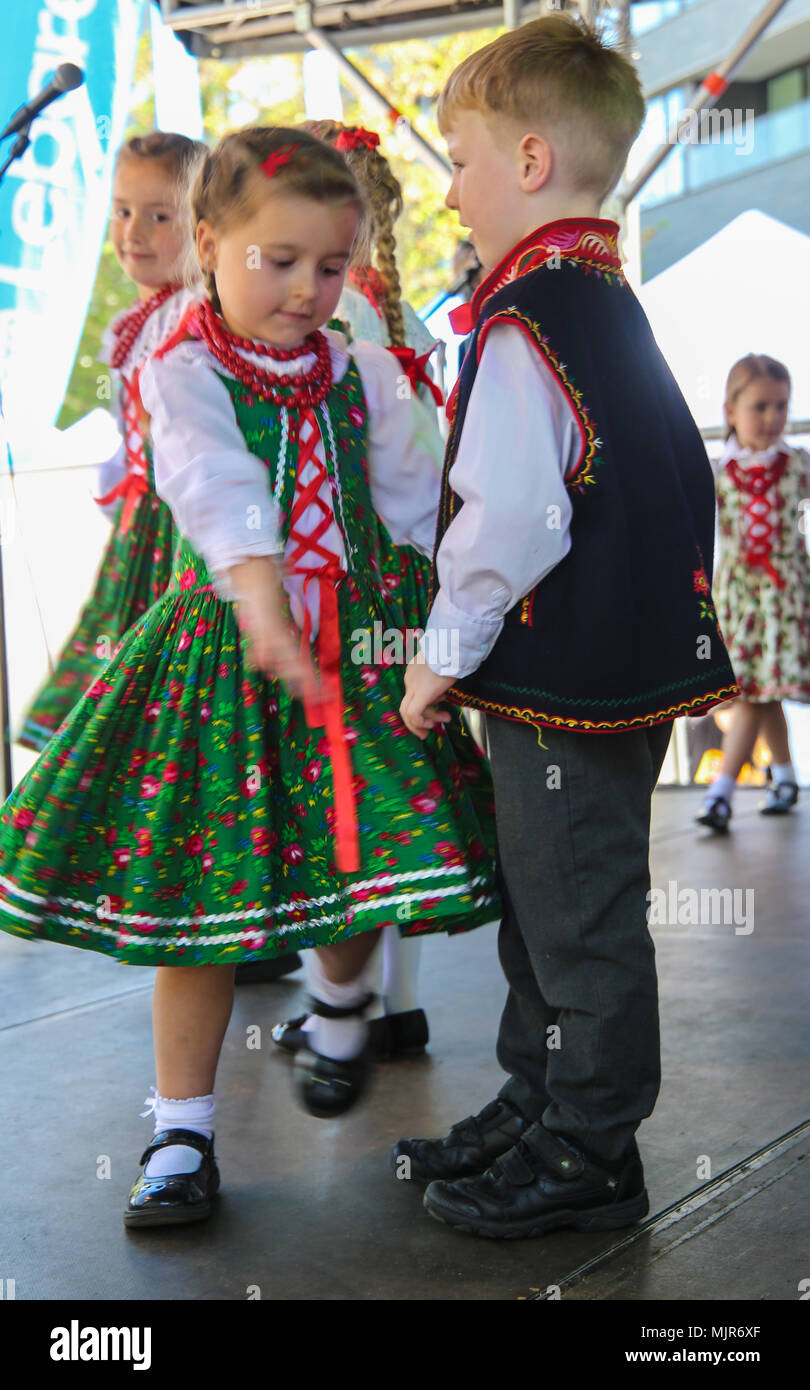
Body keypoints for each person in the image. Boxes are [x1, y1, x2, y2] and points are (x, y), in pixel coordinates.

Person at [0, 126, 497, 1228]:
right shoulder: (181, 366)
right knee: (205, 906)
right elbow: (214, 484)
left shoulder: (362, 365)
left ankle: (336, 1001)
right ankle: (181, 1130)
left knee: (355, 849)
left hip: (355, 656)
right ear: (211, 245)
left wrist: (455, 620)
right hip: (225, 660)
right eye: (277, 261)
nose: (307, 290)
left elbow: (416, 504)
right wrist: (264, 597)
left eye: (330, 266)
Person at [393, 15, 739, 1240]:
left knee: (575, 917)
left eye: (462, 160)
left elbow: (504, 523)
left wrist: (435, 662)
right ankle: (541, 1101)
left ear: (530, 162)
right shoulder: (602, 301)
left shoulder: (527, 318)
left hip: (563, 687)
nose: (448, 188)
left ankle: (590, 1149)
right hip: (601, 673)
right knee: (549, 905)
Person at [265, 121, 446, 1059]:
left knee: (349, 792)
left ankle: (347, 1000)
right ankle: (385, 1005)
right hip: (398, 571)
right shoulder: (385, 309)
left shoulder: (341, 322)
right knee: (393, 790)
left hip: (353, 583)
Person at [17, 131, 205, 752]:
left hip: (172, 520)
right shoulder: (141, 318)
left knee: (151, 650)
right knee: (119, 637)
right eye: (122, 212)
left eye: (159, 216)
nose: (133, 232)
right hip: (138, 516)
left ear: (205, 229)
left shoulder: (195, 314)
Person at [696, 354, 809, 831]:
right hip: (740, 596)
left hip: (782, 597)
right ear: (731, 410)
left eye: (781, 406)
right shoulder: (718, 472)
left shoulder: (798, 465)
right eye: (760, 406)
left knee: (755, 691)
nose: (772, 418)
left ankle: (721, 792)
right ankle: (783, 777)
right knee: (758, 690)